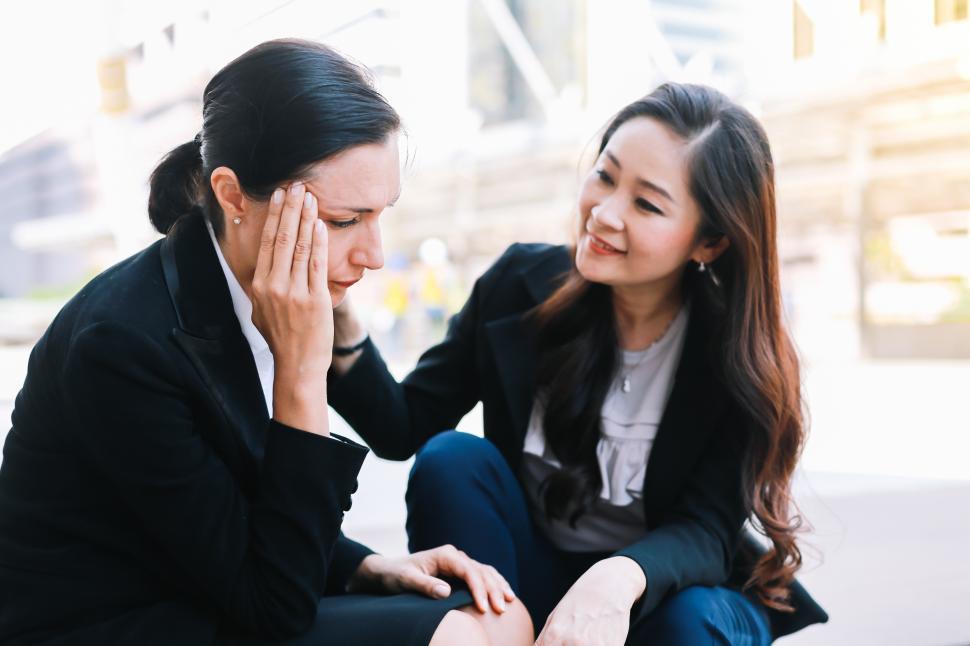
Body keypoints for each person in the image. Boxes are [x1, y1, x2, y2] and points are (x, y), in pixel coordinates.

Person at [0, 39, 533, 646]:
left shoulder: (256, 290)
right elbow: (271, 605)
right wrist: (302, 374)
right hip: (117, 621)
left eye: (381, 214)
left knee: (501, 616)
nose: (375, 255)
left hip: (214, 587)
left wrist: (362, 565)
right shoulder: (121, 345)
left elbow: (229, 513)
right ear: (232, 196)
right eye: (343, 220)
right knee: (463, 639)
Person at [328, 83, 829, 644]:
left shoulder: (736, 355)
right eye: (605, 175)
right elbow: (404, 427)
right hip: (529, 580)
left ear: (709, 242)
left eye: (646, 204)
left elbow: (705, 531)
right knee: (452, 459)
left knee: (689, 624)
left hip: (665, 595)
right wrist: (340, 329)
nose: (604, 213)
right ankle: (488, 637)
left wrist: (617, 577)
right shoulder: (519, 286)